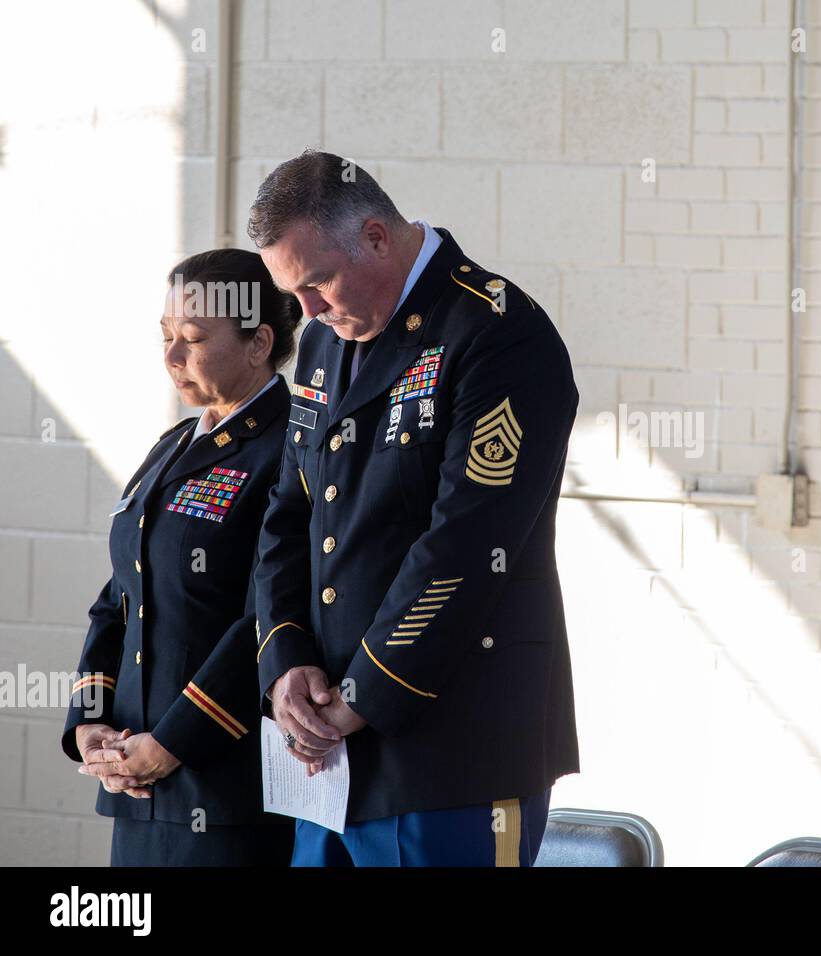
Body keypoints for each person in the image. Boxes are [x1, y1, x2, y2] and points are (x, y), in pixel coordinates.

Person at [250, 149, 580, 867]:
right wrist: (285, 661)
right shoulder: (320, 345)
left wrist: (360, 695)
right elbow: (288, 517)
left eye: (317, 283)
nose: (308, 310)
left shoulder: (496, 331)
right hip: (327, 760)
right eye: (294, 293)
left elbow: (465, 544)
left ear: (375, 236)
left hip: (453, 753)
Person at [63, 249, 301, 866]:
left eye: (193, 339)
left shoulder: (292, 446)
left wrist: (173, 740)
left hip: (224, 788)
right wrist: (92, 725)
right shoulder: (173, 445)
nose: (172, 358)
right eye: (166, 337)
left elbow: (268, 615)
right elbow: (118, 596)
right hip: (137, 783)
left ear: (258, 343)